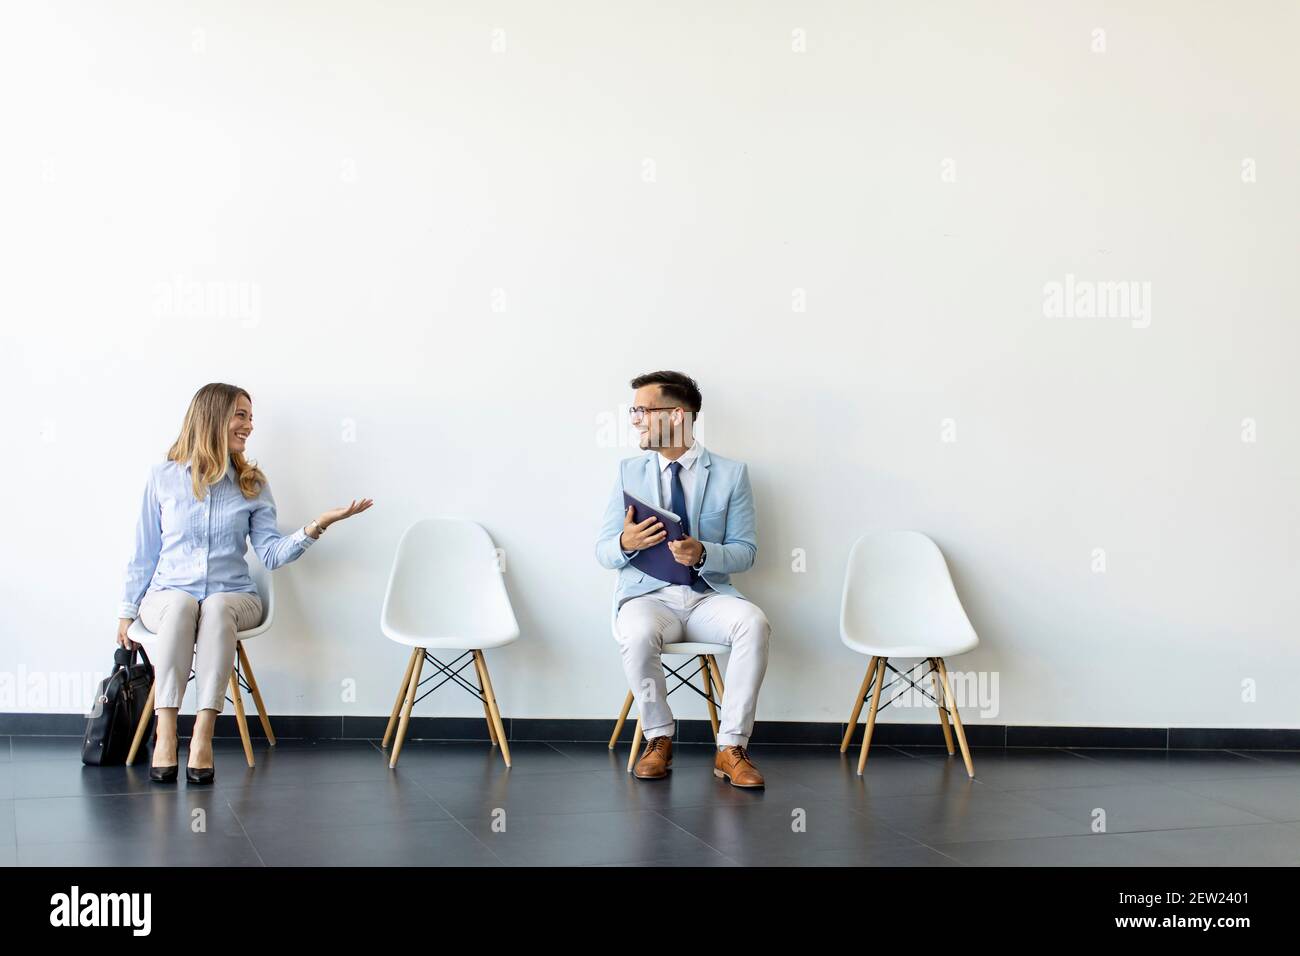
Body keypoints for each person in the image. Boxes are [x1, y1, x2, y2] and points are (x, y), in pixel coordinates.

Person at [116, 382, 372, 784]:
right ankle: (166, 731)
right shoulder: (163, 478)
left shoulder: (252, 483)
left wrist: (316, 526)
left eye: (250, 417)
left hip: (234, 597)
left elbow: (268, 554)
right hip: (168, 596)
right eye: (241, 415)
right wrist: (127, 612)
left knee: (216, 606)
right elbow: (144, 552)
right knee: (183, 606)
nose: (249, 426)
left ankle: (202, 735)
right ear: (213, 417)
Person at [595, 371, 771, 787]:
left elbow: (746, 552)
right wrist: (626, 540)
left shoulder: (732, 474)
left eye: (642, 409)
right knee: (635, 632)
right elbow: (602, 552)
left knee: (754, 622)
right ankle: (659, 738)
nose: (635, 419)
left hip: (707, 596)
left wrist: (704, 552)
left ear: (676, 415)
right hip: (649, 598)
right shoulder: (628, 472)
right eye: (633, 410)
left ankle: (731, 747)